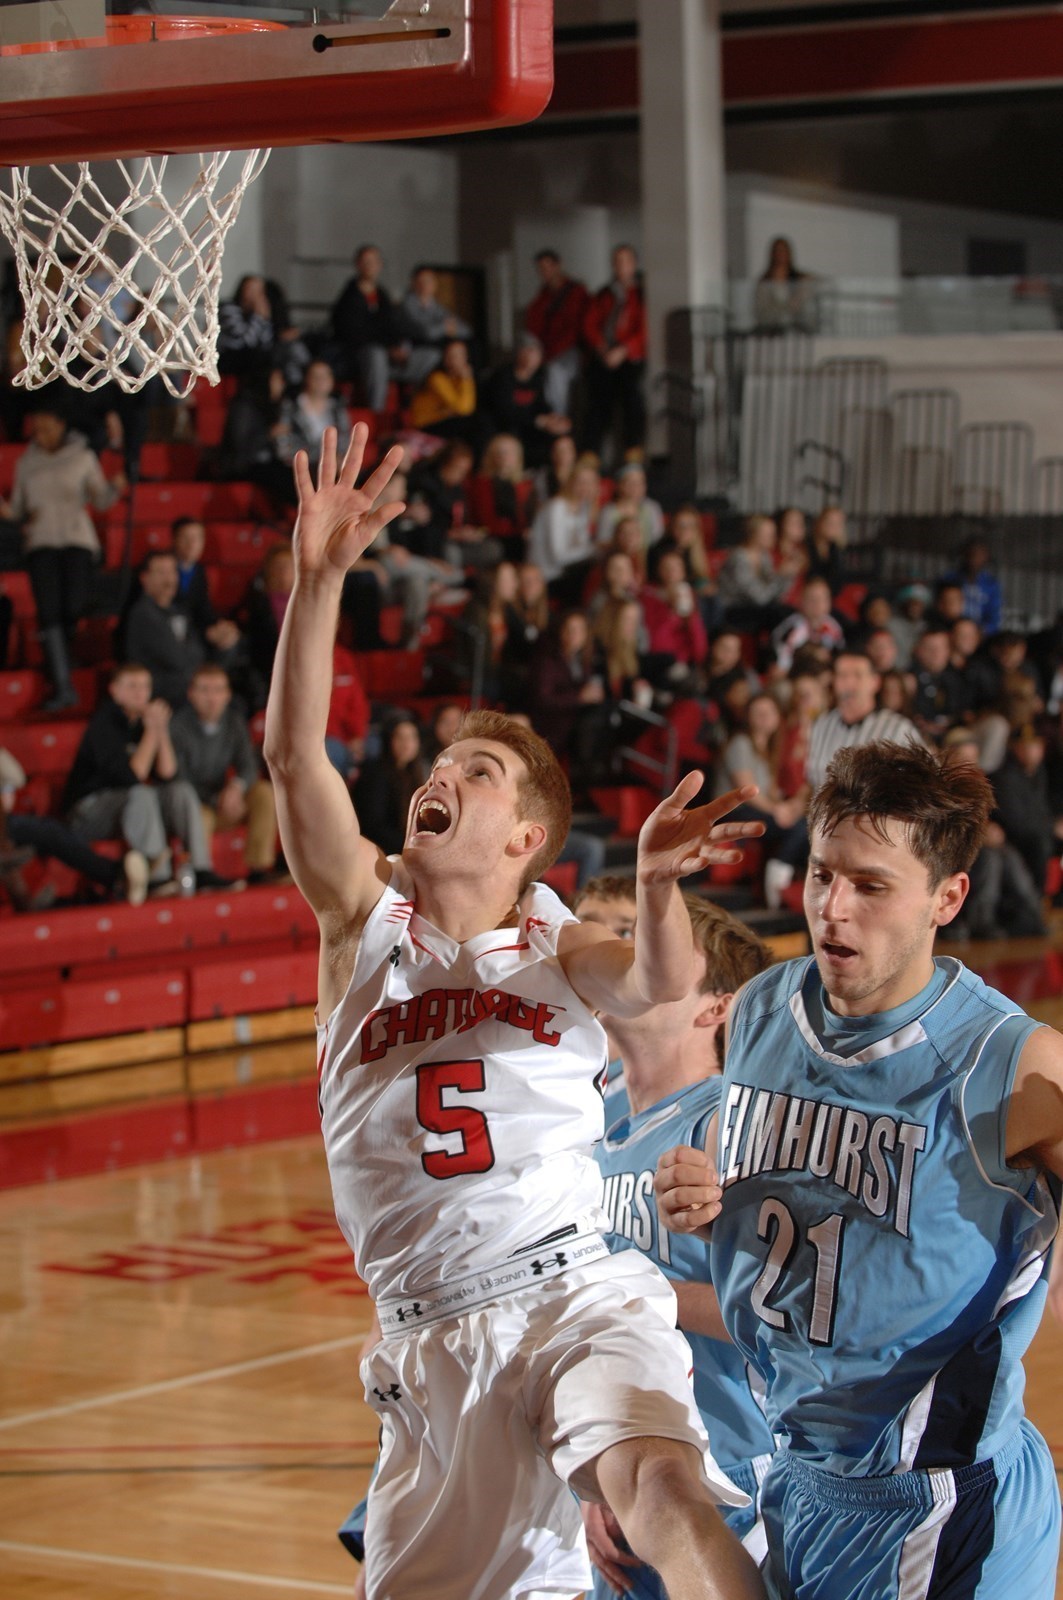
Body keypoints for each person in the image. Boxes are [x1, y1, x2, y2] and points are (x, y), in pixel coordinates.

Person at [262, 422, 767, 1600]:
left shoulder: (557, 939)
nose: (439, 775)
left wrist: (655, 885)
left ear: (526, 837)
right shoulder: (359, 923)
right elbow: (293, 761)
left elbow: (653, 985)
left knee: (657, 1484)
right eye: (438, 765)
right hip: (428, 1336)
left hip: (568, 1288)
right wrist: (317, 580)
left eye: (475, 773)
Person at [656, 739, 1063, 1600]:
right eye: (820, 875)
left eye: (870, 886)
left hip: (939, 1498)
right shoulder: (761, 1008)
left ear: (946, 897)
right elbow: (769, 1179)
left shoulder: (1009, 1062)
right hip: (796, 1470)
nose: (831, 908)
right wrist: (697, 1193)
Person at [587, 896, 776, 1599]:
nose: (633, 963)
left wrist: (646, 1297)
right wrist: (592, 1477)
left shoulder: (730, 1124)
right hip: (628, 1478)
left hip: (736, 1477)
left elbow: (789, 1319)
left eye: (659, 953)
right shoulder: (593, 1137)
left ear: (714, 1008)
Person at [2, 402, 126, 710]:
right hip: (40, 541)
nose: (40, 435)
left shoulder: (82, 457)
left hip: (76, 540)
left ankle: (65, 662)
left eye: (46, 429)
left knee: (72, 605)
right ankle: (63, 684)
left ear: (61, 426)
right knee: (48, 611)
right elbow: (17, 508)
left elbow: (101, 500)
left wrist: (115, 487)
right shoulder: (26, 462)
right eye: (36, 430)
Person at [63, 662, 224, 894]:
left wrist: (161, 730)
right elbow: (133, 776)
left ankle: (201, 869)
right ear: (115, 690)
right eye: (132, 686)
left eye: (145, 686)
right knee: (141, 794)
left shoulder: (143, 722)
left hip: (129, 807)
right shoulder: (104, 723)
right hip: (88, 812)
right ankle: (156, 876)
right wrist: (151, 732)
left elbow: (168, 773)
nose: (140, 693)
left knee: (181, 790)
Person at [170, 663, 279, 884]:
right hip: (199, 803)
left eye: (218, 690)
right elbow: (178, 780)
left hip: (227, 801)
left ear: (228, 695)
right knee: (198, 815)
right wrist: (217, 798)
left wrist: (236, 787)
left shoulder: (234, 721)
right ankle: (203, 875)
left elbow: (248, 765)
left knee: (264, 793)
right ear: (191, 694)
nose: (212, 698)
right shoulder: (177, 726)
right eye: (205, 690)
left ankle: (259, 868)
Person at [583, 245, 647, 464]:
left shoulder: (641, 293)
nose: (621, 266)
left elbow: (644, 328)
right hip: (604, 354)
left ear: (634, 264)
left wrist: (624, 349)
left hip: (629, 355)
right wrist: (602, 348)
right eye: (617, 261)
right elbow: (590, 324)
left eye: (626, 261)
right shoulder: (604, 293)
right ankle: (591, 452)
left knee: (632, 399)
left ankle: (633, 449)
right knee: (597, 401)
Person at [330, 244, 406, 408]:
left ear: (380, 265)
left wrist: (398, 346)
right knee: (376, 355)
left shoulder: (382, 295)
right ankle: (377, 411)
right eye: (365, 262)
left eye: (374, 261)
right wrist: (387, 347)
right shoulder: (349, 296)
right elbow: (352, 332)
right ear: (358, 265)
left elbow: (391, 326)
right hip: (357, 354)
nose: (370, 266)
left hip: (387, 352)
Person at [524, 248, 590, 416]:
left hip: (570, 351)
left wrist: (549, 355)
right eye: (541, 269)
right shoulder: (542, 296)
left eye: (548, 267)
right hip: (545, 351)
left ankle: (557, 418)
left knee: (556, 371)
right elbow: (533, 325)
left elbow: (576, 329)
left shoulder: (576, 292)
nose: (545, 272)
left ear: (557, 266)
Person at [752, 237, 816, 333]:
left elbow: (800, 303)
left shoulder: (797, 278)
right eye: (778, 251)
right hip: (772, 329)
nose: (780, 255)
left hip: (796, 328)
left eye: (783, 251)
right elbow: (762, 310)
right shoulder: (765, 281)